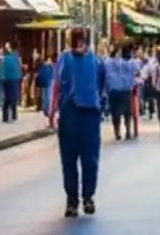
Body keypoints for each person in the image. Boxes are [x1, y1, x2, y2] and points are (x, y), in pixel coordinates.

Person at [50, 29, 107, 218]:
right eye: (77, 41)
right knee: (73, 160)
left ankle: (85, 198)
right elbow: (57, 86)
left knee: (86, 160)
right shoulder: (69, 59)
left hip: (85, 114)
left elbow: (57, 86)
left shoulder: (95, 62)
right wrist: (52, 112)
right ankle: (75, 200)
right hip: (74, 114)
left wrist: (52, 112)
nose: (79, 44)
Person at [106, 45, 137, 140]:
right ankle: (118, 131)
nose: (118, 55)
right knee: (117, 113)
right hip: (117, 90)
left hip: (123, 90)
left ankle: (127, 130)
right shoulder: (108, 63)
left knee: (126, 112)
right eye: (117, 53)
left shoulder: (127, 63)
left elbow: (133, 72)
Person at [0, 42, 23, 123]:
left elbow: (0, 68)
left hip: (6, 79)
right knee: (13, 97)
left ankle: (5, 117)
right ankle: (13, 115)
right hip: (14, 79)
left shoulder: (3, 58)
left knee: (6, 98)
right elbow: (20, 66)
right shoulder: (15, 57)